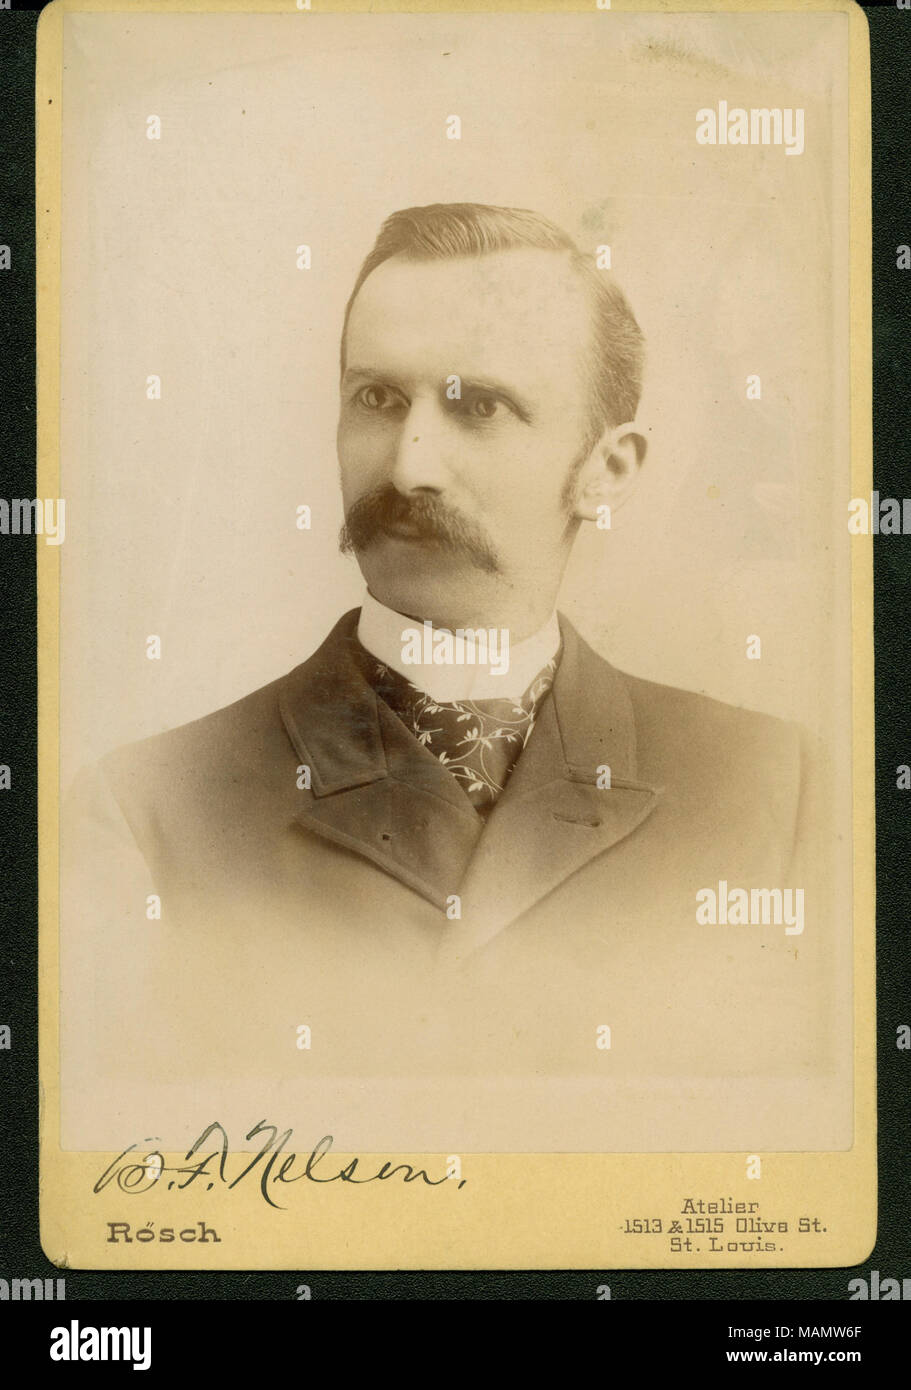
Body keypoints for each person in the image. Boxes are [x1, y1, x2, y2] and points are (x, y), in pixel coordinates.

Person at [62, 203, 831, 1110]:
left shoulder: (774, 789)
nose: (408, 466)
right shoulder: (149, 810)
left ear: (606, 470)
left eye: (477, 406)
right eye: (377, 401)